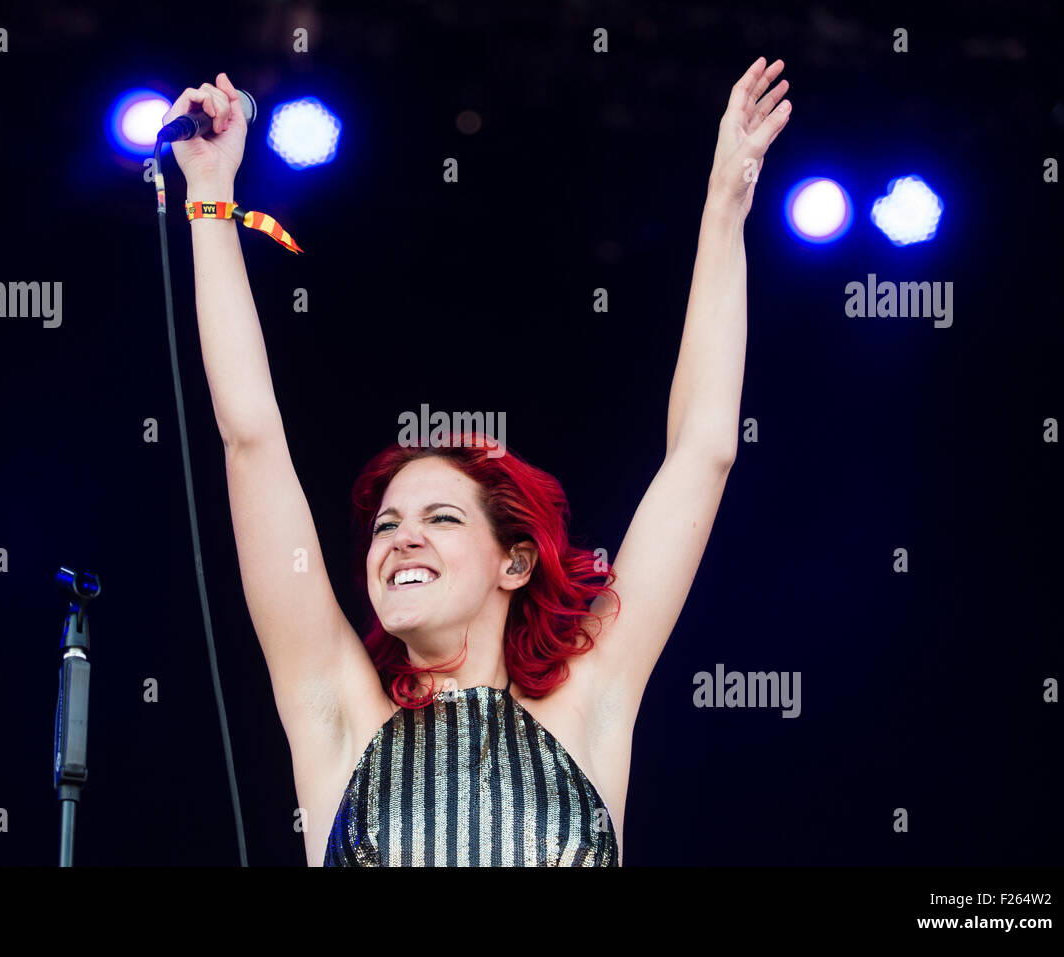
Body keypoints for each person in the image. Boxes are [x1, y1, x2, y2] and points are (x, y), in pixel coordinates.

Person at [162, 60, 792, 866]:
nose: (401, 537)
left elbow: (704, 450)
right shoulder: (338, 718)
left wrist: (727, 203)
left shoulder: (590, 703)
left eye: (440, 517)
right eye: (387, 523)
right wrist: (209, 198)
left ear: (515, 562)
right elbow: (251, 438)